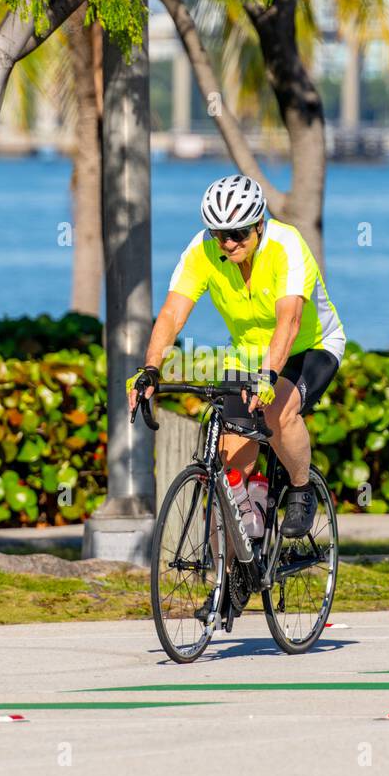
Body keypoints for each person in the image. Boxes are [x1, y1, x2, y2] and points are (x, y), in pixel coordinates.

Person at [127, 174, 345, 537]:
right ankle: (235, 568)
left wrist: (269, 378)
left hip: (311, 346)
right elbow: (171, 314)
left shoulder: (287, 244)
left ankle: (302, 488)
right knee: (230, 467)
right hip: (247, 354)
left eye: (239, 233)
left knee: (276, 413)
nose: (228, 243)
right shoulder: (202, 251)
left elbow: (288, 322)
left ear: (259, 224)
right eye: (219, 234)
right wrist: (150, 368)